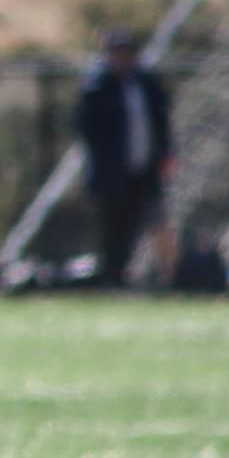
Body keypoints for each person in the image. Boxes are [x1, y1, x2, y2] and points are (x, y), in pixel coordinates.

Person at [75, 28, 176, 288]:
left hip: (145, 167)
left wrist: (166, 153)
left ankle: (166, 276)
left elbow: (161, 121)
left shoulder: (145, 83)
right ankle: (113, 275)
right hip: (114, 171)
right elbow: (88, 130)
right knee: (114, 225)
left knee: (152, 221)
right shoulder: (98, 87)